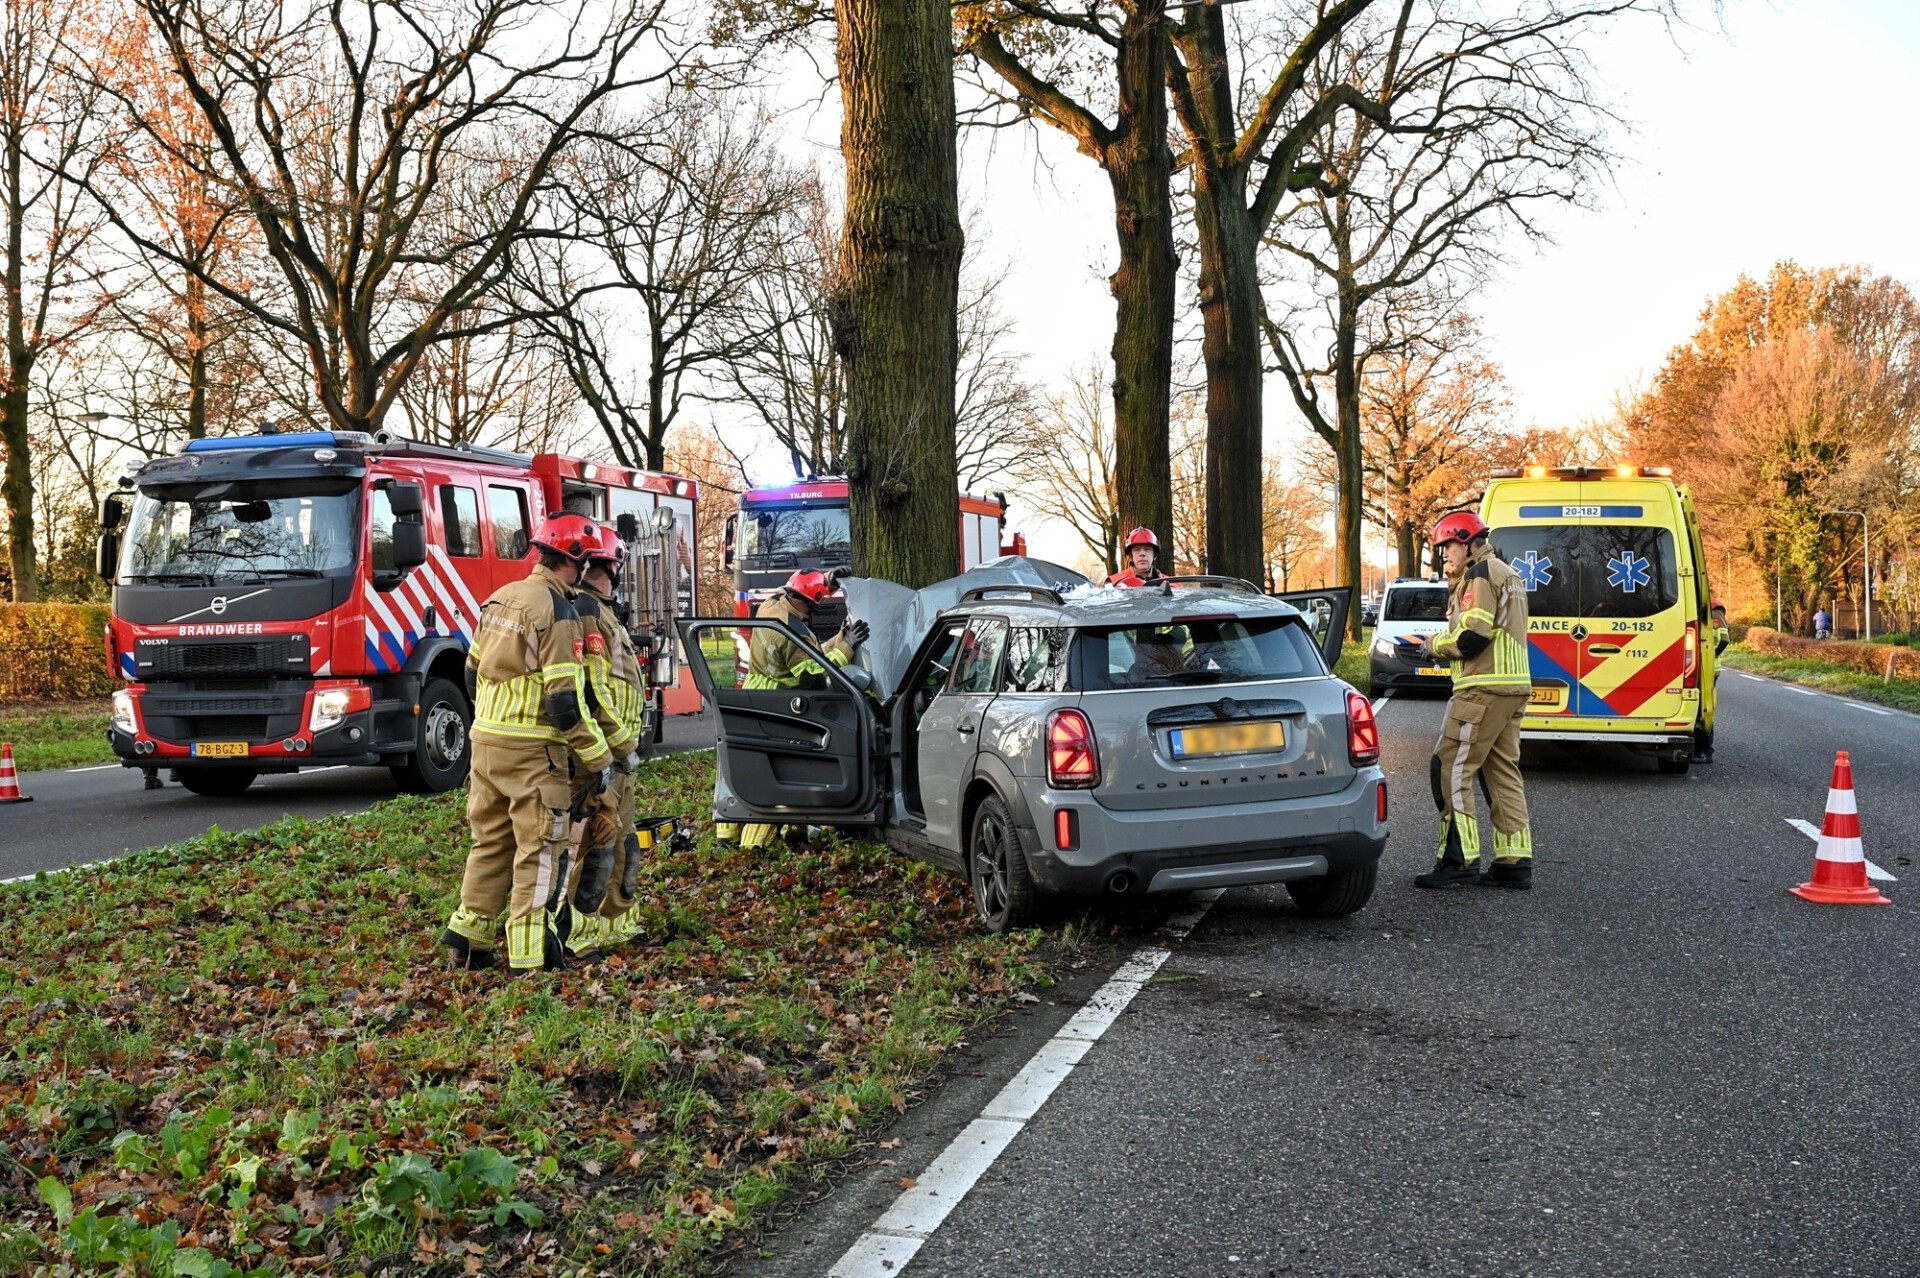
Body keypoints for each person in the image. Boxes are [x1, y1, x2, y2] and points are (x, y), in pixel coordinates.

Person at [441, 512, 614, 972]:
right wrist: (599, 759)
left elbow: (472, 672)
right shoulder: (557, 611)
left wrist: (492, 720)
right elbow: (563, 701)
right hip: (534, 752)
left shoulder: (499, 599)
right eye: (586, 561)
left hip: (486, 744)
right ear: (574, 559)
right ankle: (529, 954)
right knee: (539, 848)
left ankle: (470, 938)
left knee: (490, 841)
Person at [1412, 511, 1535, 890]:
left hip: (1483, 688)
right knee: (1501, 773)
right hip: (1512, 687)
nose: (1444, 555)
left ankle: (1459, 858)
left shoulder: (1479, 575)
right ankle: (1513, 862)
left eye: (1447, 546)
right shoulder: (1507, 573)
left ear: (1467, 541)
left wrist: (1433, 646)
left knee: (1449, 768)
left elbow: (1472, 637)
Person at [735, 570, 868, 850]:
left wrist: (825, 582)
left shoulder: (773, 605)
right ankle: (754, 848)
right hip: (779, 704)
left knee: (747, 768)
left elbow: (813, 650)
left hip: (755, 693)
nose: (813, 613)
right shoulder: (791, 630)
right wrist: (846, 646)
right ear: (805, 603)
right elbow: (815, 675)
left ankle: (736, 837)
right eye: (813, 606)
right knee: (779, 776)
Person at [564, 530, 649, 958]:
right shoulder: (586, 612)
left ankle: (616, 924)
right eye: (612, 567)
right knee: (598, 844)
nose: (614, 574)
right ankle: (579, 935)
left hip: (619, 750)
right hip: (603, 752)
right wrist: (618, 747)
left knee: (624, 843)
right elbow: (592, 691)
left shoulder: (603, 612)